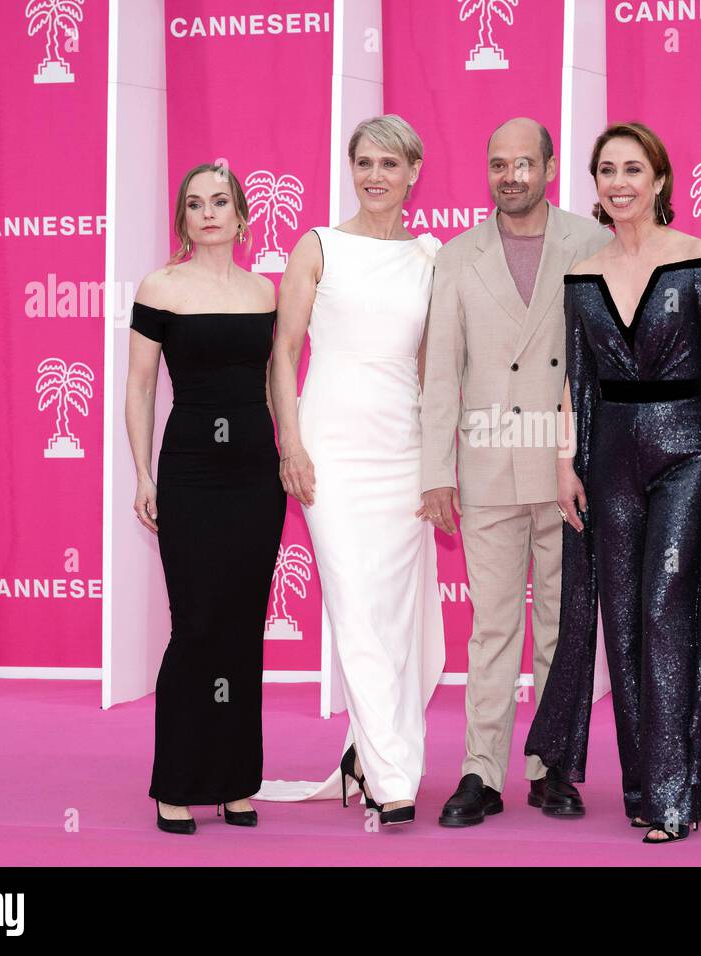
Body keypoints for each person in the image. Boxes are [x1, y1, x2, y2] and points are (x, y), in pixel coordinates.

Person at [524, 123, 701, 844]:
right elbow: (573, 382)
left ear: (659, 179)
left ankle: (676, 795)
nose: (619, 182)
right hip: (608, 459)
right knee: (620, 626)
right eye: (606, 170)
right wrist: (563, 462)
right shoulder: (582, 272)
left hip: (686, 452)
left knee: (661, 609)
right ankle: (646, 786)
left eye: (633, 169)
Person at [421, 118, 612, 828]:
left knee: (565, 625)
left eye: (523, 163)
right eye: (498, 163)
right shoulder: (457, 256)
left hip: (567, 467)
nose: (510, 176)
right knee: (493, 628)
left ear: (550, 167)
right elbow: (441, 374)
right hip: (489, 463)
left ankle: (553, 764)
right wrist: (436, 472)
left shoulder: (590, 244)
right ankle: (480, 772)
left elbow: (604, 363)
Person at [256, 115, 445, 827]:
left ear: (414, 171)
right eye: (364, 162)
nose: (375, 176)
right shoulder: (317, 247)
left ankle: (364, 755)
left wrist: (436, 464)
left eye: (389, 164)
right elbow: (284, 351)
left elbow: (433, 370)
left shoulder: (430, 256)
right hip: (330, 448)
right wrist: (291, 444)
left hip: (401, 452)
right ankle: (394, 776)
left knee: (400, 623)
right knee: (358, 608)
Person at [125, 162, 286, 835]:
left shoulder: (264, 292)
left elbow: (279, 382)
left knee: (242, 627)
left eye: (220, 202)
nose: (209, 214)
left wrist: (290, 455)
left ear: (242, 216)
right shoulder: (160, 287)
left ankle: (234, 781)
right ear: (183, 219)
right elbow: (138, 388)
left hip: (256, 472)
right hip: (191, 469)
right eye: (196, 205)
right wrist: (142, 474)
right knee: (195, 626)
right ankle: (177, 782)